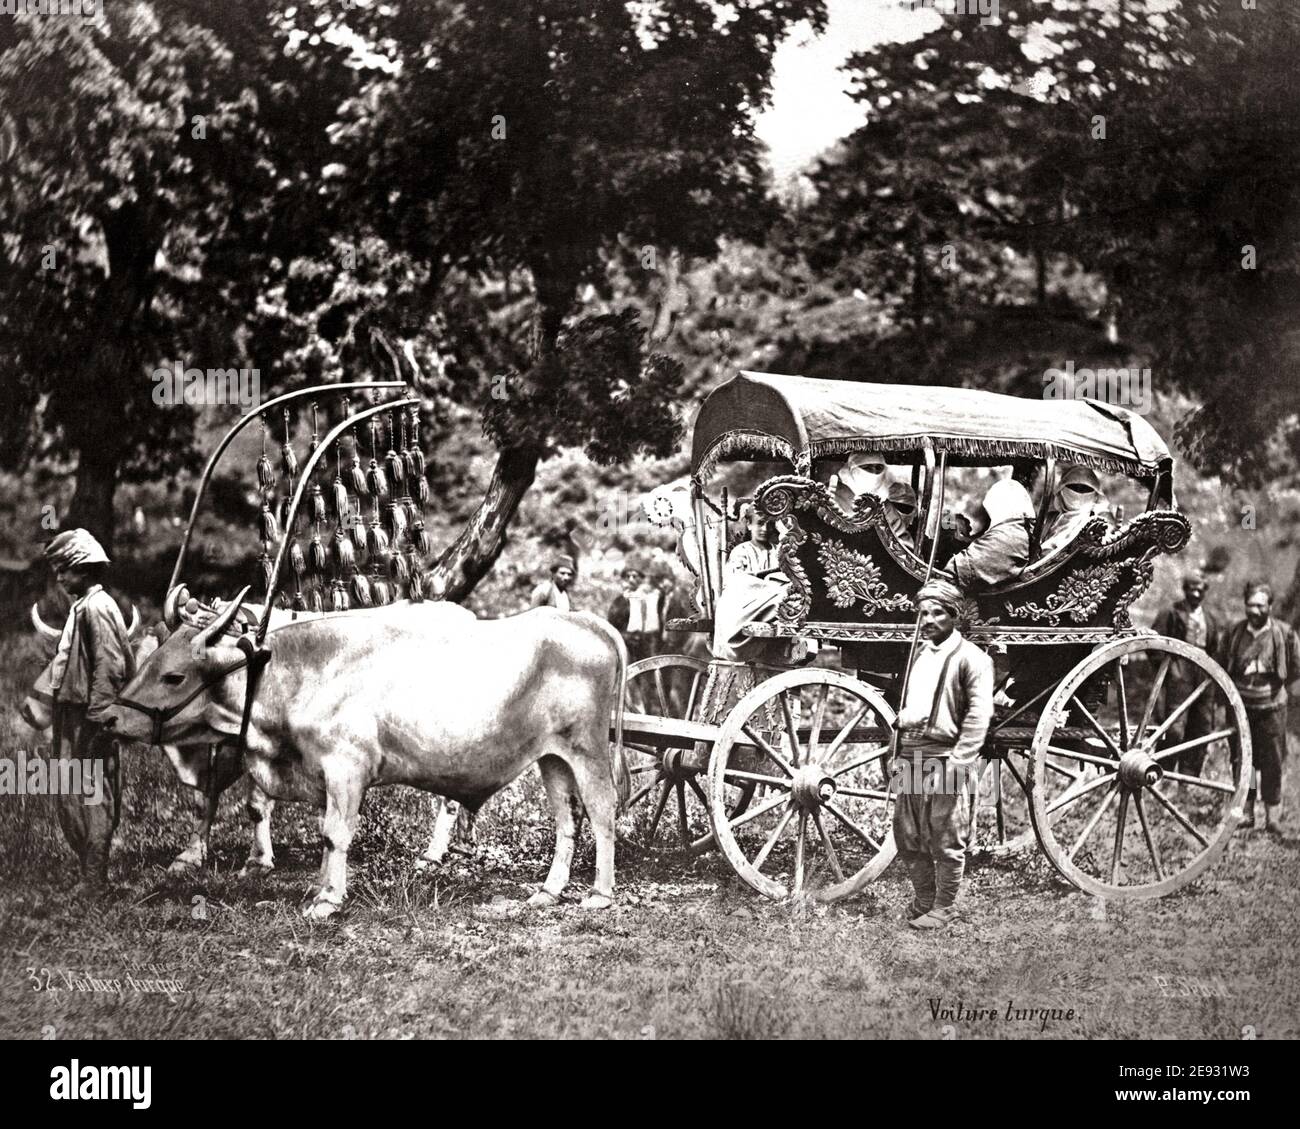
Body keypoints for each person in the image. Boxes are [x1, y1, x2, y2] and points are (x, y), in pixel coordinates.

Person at [891, 578, 994, 930]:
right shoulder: (919, 655)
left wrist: (961, 762)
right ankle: (923, 901)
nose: (929, 620)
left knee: (946, 835)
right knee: (906, 834)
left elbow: (979, 715)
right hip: (912, 752)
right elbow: (910, 707)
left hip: (947, 755)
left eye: (937, 613)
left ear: (954, 615)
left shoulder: (972, 659)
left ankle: (945, 907)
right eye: (923, 614)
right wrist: (898, 751)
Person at [36, 529, 133, 891]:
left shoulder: (98, 607)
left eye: (65, 570)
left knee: (93, 790)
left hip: (90, 715)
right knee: (68, 788)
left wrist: (101, 713)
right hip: (71, 712)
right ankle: (90, 873)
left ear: (86, 569)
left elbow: (110, 665)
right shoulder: (84, 606)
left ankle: (96, 878)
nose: (59, 578)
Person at [1218, 581, 1300, 833]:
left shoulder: (1284, 634)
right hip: (1241, 707)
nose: (1254, 610)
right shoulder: (1234, 633)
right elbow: (1220, 665)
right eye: (1250, 605)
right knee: (1245, 761)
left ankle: (1272, 817)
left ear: (1270, 607)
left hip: (1272, 707)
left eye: (1260, 606)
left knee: (1273, 761)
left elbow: (1296, 669)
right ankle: (1247, 812)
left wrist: (1283, 694)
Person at [1153, 571, 1222, 777]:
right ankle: (1161, 775)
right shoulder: (1172, 612)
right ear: (1185, 590)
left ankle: (1189, 779)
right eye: (1192, 589)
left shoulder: (1210, 619)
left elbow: (1213, 648)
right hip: (1179, 672)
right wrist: (1167, 667)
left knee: (1201, 727)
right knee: (1174, 728)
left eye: (1200, 590)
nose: (1196, 593)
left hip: (1203, 673)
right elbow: (1154, 643)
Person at [941, 478, 1034, 591]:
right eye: (963, 521)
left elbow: (955, 572)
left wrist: (957, 532)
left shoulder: (1007, 536)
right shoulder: (1017, 529)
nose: (969, 525)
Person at [1041, 465, 1114, 554]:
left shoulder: (1096, 523)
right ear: (1062, 490)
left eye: (1085, 489)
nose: (1079, 493)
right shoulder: (1049, 519)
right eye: (1074, 487)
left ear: (1095, 495)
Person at [607, 566, 663, 663]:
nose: (631, 580)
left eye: (634, 576)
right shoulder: (621, 599)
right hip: (628, 639)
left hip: (648, 640)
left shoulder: (653, 597)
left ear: (642, 578)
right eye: (628, 577)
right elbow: (612, 620)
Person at [726, 507, 782, 578]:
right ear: (749, 525)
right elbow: (737, 581)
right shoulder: (740, 552)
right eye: (760, 523)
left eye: (769, 524)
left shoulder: (778, 551)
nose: (765, 529)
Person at [882, 481, 919, 552]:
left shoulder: (919, 537)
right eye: (898, 507)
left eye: (907, 509)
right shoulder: (883, 531)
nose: (901, 515)